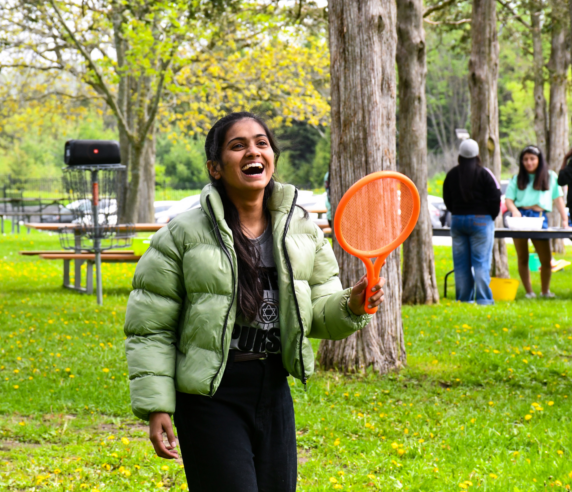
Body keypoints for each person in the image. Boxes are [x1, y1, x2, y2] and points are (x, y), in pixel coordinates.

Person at [123, 112, 386, 492]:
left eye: (262, 143)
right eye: (238, 145)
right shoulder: (181, 235)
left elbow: (317, 314)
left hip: (274, 389)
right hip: (210, 396)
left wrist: (352, 305)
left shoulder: (304, 231)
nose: (253, 151)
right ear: (215, 168)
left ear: (272, 157)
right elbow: (150, 327)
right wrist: (157, 405)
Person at [442, 139, 501, 305]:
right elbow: (496, 197)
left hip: (457, 221)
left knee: (461, 264)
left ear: (460, 155)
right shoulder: (485, 173)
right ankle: (484, 299)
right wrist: (490, 216)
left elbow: (447, 198)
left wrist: (457, 212)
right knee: (481, 262)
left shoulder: (452, 174)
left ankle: (463, 300)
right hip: (481, 221)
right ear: (477, 155)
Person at [505, 145, 568, 298]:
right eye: (525, 159)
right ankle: (529, 292)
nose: (529, 162)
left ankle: (545, 291)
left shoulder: (550, 176)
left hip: (539, 218)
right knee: (522, 257)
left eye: (532, 159)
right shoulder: (516, 179)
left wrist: (565, 219)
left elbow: (558, 199)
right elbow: (509, 199)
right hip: (520, 219)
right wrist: (514, 211)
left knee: (545, 259)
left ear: (539, 160)